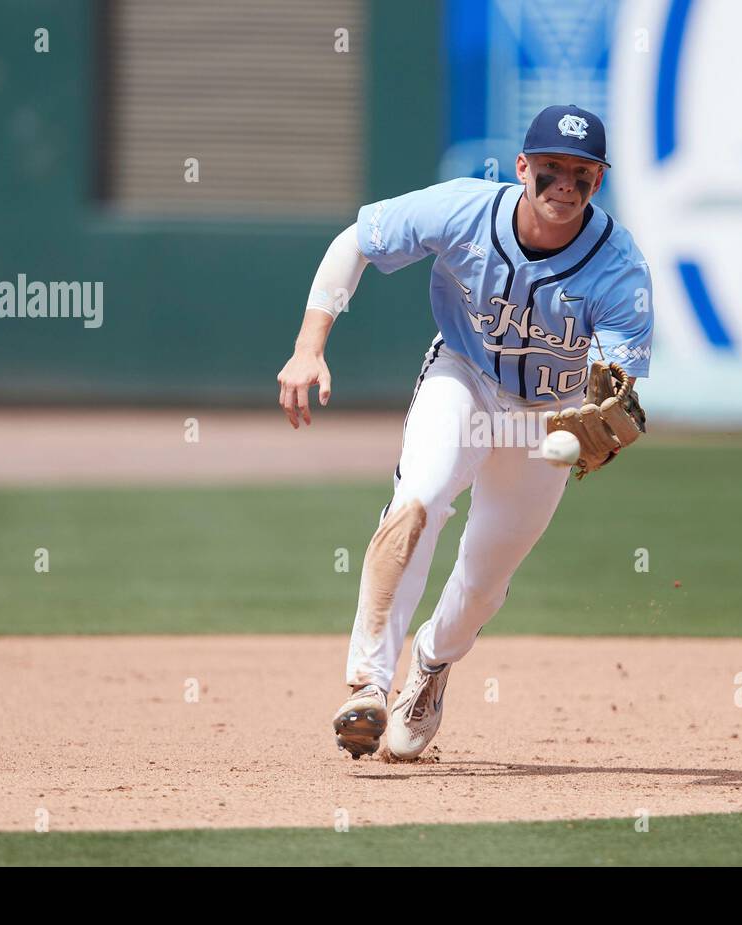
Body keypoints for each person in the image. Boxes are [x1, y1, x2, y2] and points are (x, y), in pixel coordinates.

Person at [277, 105, 654, 760]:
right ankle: (367, 684)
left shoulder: (619, 268)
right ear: (523, 168)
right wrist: (310, 347)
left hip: (548, 416)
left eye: (581, 173)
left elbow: (616, 389)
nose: (565, 184)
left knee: (482, 584)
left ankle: (428, 667)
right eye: (552, 169)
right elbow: (355, 243)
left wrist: (601, 426)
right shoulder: (464, 210)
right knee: (416, 501)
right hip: (464, 376)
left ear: (598, 179)